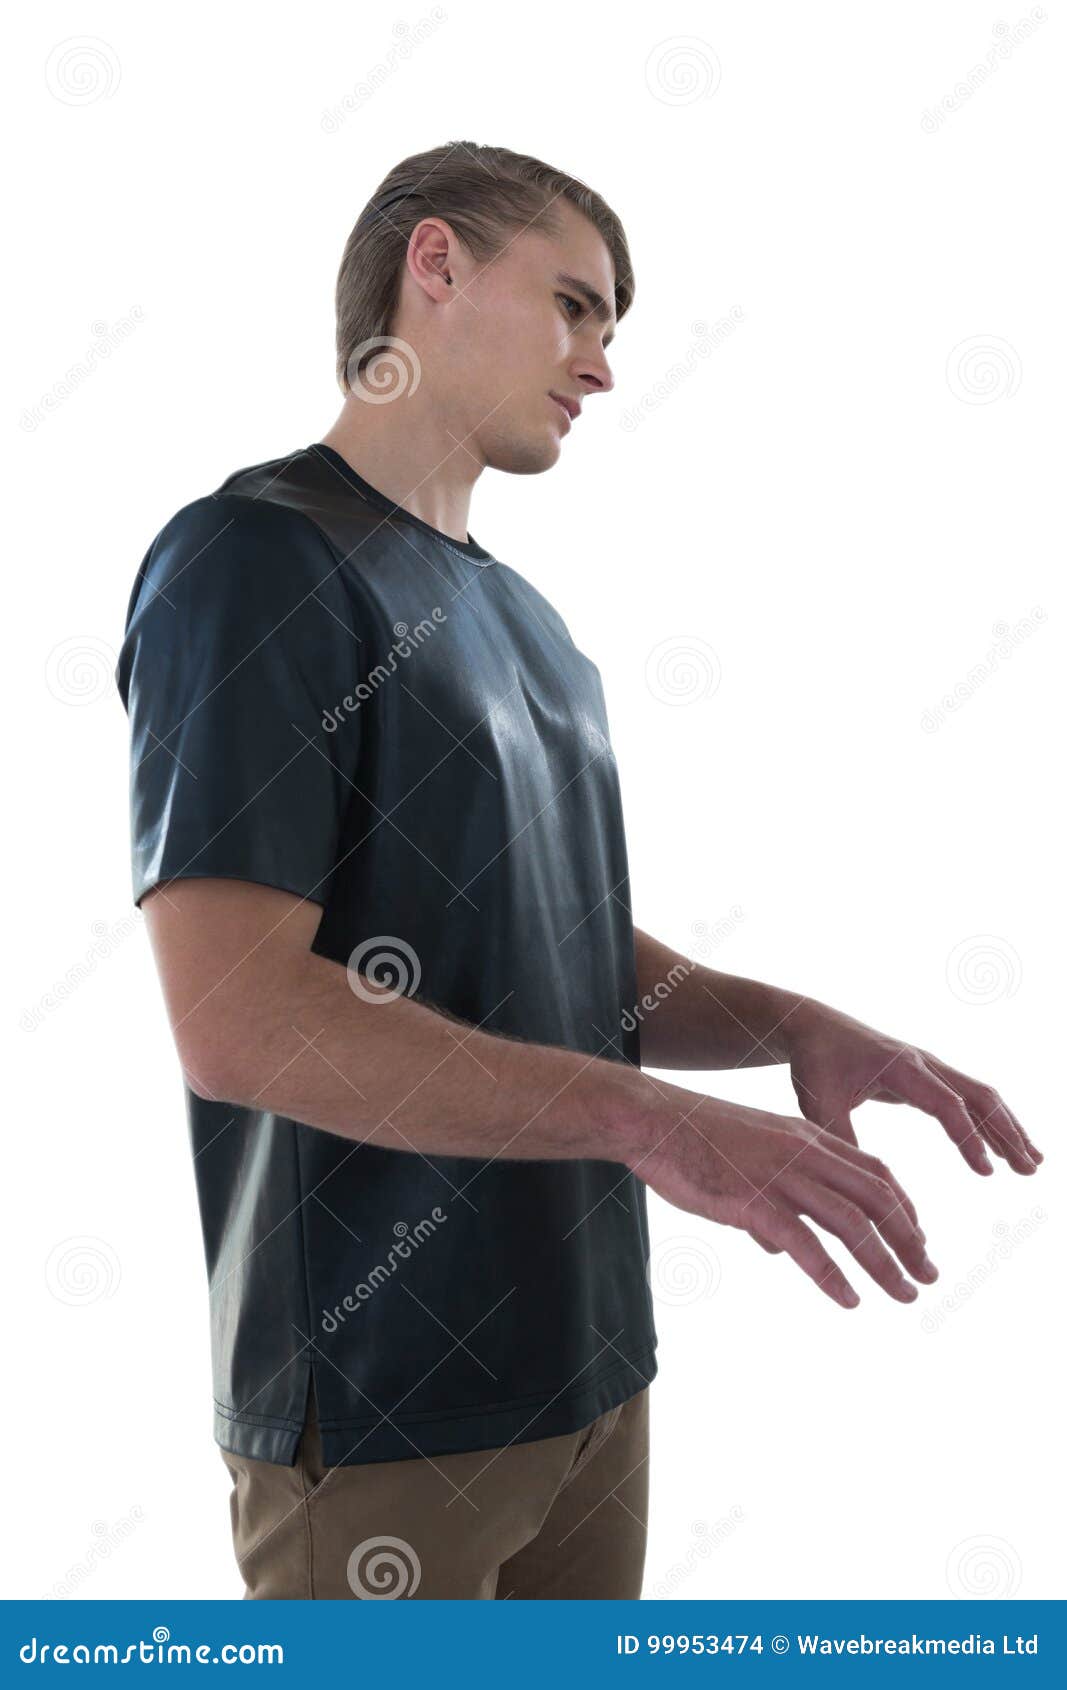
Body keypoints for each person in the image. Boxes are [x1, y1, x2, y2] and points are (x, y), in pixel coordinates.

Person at [116, 140, 1042, 1602]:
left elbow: (556, 951)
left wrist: (786, 1027)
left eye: (613, 327)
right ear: (434, 265)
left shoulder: (533, 628)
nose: (603, 365)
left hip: (594, 1370)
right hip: (384, 1407)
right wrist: (650, 1122)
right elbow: (241, 1020)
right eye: (574, 305)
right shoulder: (253, 560)